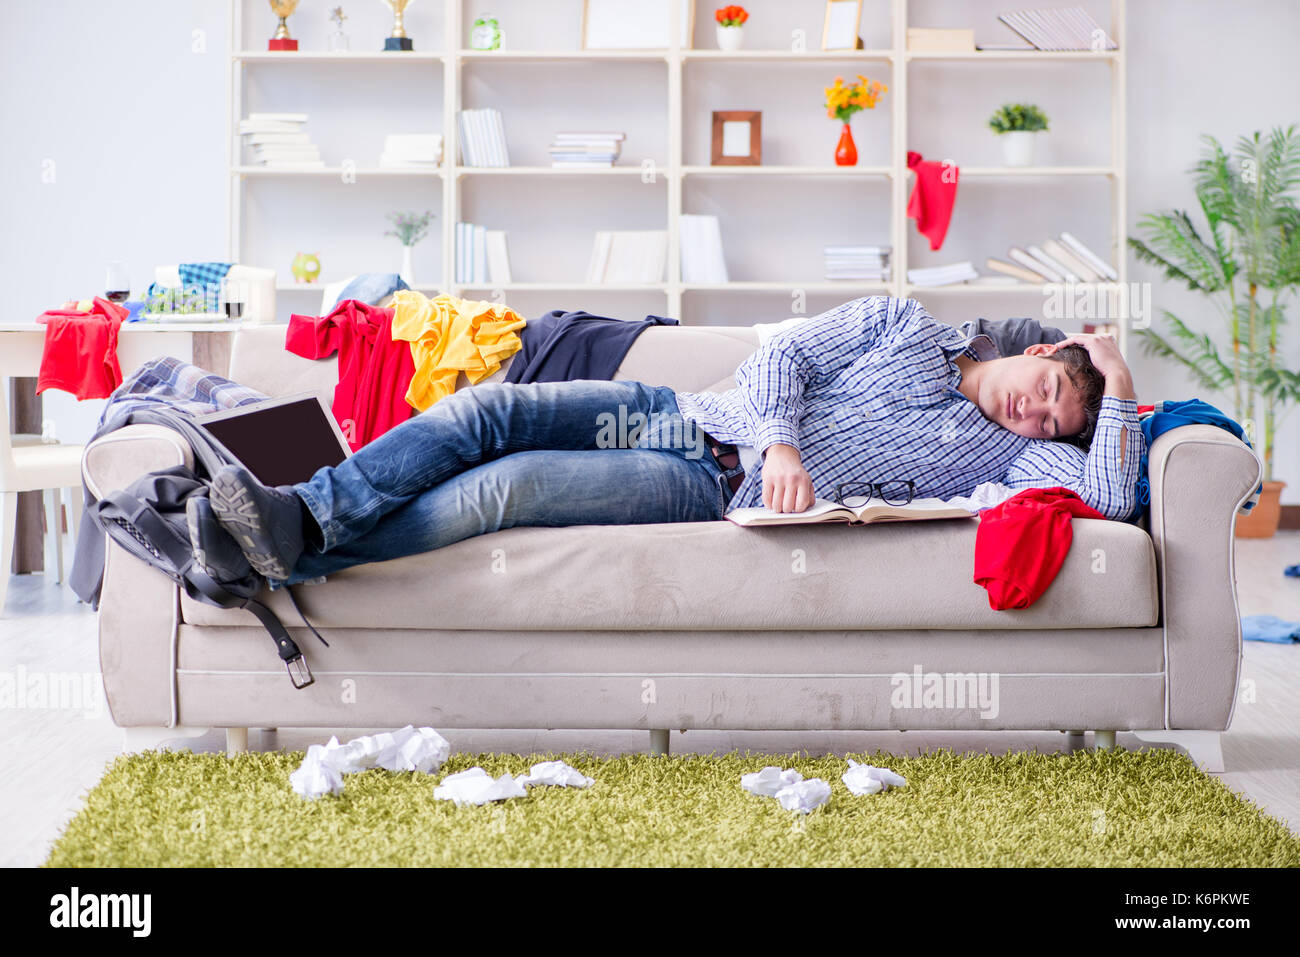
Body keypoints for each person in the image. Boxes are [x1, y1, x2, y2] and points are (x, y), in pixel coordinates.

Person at [196, 296, 1144, 586]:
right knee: (484, 414)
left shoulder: (1017, 459)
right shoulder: (903, 320)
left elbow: (1105, 499)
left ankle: (283, 549)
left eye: (1059, 418)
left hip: (700, 490)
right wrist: (782, 446)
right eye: (1051, 386)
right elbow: (781, 360)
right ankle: (300, 520)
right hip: (691, 416)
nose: (1038, 411)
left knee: (509, 486)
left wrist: (1119, 384)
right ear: (1044, 349)